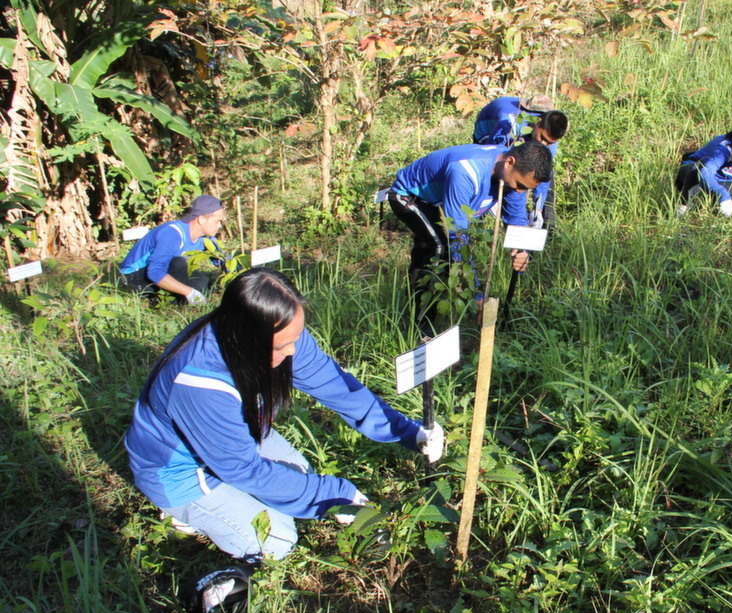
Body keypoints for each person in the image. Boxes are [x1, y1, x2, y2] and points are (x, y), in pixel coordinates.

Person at [125, 267, 445, 562]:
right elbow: (243, 470)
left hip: (238, 437)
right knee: (277, 540)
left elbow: (335, 386)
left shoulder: (278, 330)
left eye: (294, 339)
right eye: (280, 347)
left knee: (300, 476)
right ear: (244, 338)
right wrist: (336, 493)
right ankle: (186, 513)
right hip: (181, 472)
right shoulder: (201, 384)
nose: (291, 352)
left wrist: (409, 431)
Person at [386, 140, 552, 323]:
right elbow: (457, 236)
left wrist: (522, 251)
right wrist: (477, 295)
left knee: (445, 254)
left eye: (525, 189)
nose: (520, 191)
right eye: (519, 184)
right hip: (411, 196)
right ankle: (420, 323)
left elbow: (516, 217)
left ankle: (437, 310)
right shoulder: (465, 172)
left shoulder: (512, 171)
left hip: (443, 201)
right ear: (509, 162)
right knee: (437, 247)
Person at [472, 94, 568, 232]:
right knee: (507, 174)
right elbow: (493, 157)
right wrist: (494, 194)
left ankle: (547, 226)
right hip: (487, 133)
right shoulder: (509, 124)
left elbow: (543, 169)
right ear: (537, 123)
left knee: (541, 173)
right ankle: (478, 219)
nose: (544, 144)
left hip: (521, 136)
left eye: (549, 142)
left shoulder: (549, 138)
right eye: (542, 138)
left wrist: (538, 208)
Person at [119, 194, 228, 305]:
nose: (219, 226)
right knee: (178, 263)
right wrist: (189, 292)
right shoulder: (172, 234)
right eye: (217, 221)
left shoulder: (206, 239)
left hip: (164, 269)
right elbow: (154, 272)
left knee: (203, 284)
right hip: (135, 275)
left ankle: (178, 298)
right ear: (201, 219)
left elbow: (225, 260)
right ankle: (173, 304)